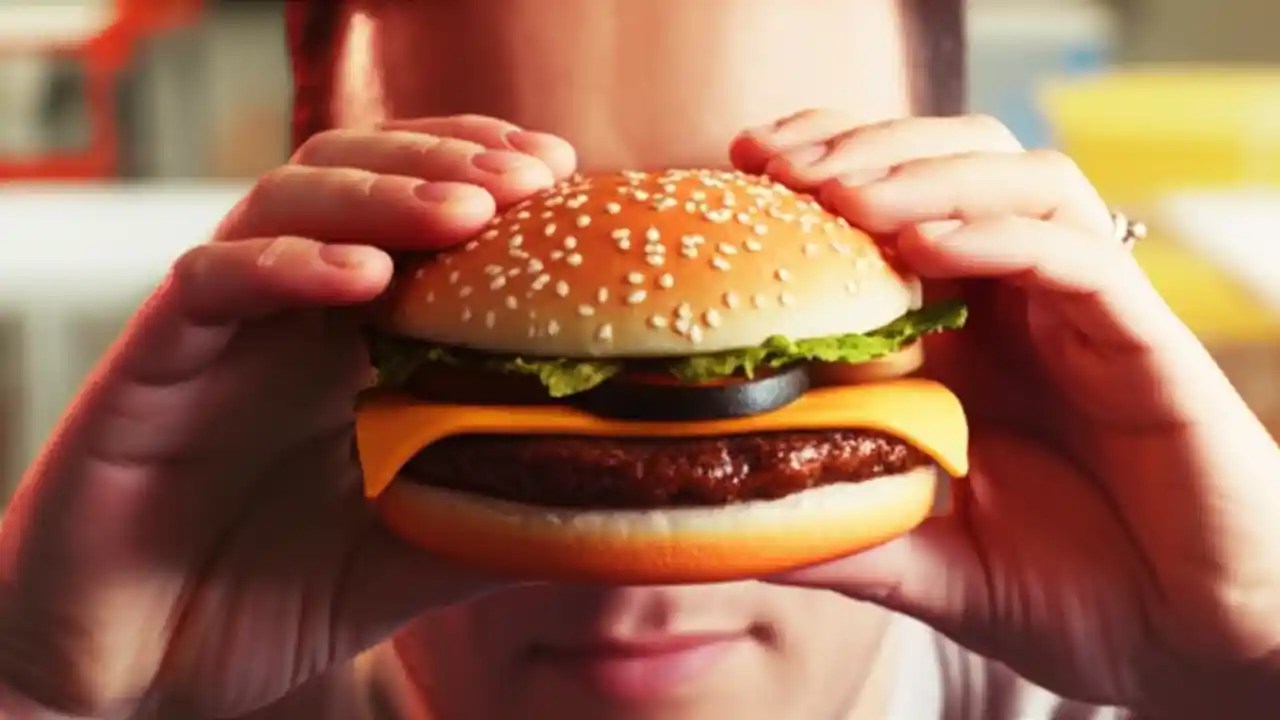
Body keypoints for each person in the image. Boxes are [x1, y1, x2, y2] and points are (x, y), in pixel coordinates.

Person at [1, 1, 1278, 718]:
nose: (614, 573)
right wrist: (43, 693)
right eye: (482, 241)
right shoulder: (151, 663)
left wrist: (1250, 668)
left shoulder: (1152, 673)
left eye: (782, 213)